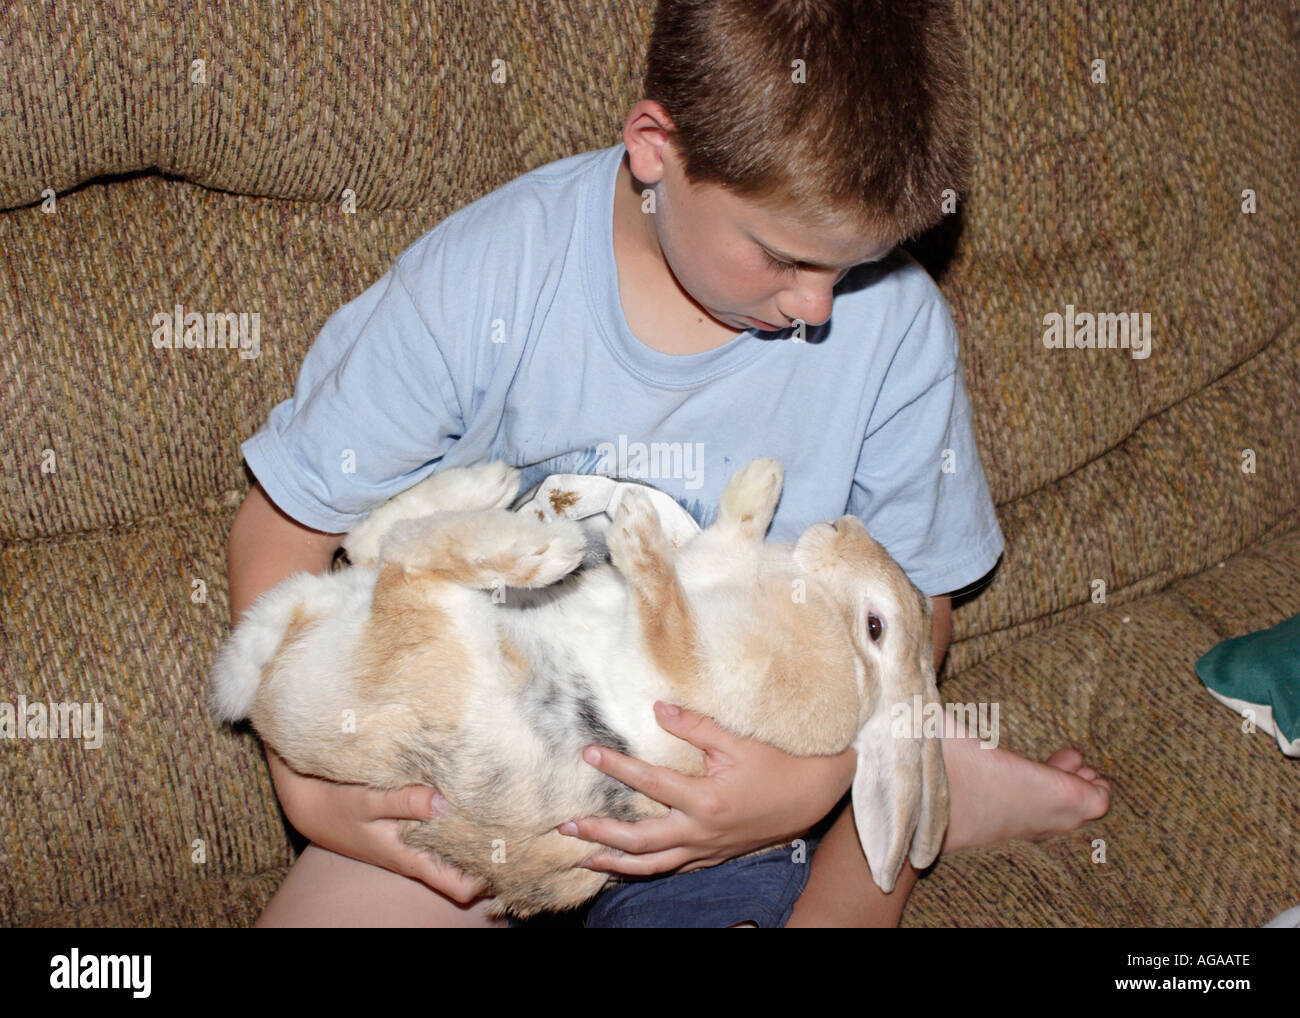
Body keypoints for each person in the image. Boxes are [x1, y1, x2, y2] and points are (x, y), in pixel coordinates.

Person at [226, 0, 1110, 928]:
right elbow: (280, 531)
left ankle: (892, 810)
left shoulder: (893, 325)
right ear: (655, 148)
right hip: (490, 765)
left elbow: (909, 600)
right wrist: (306, 785)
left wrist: (812, 786)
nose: (816, 306)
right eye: (781, 257)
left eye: (852, 266)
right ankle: (926, 789)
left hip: (725, 787)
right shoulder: (482, 281)